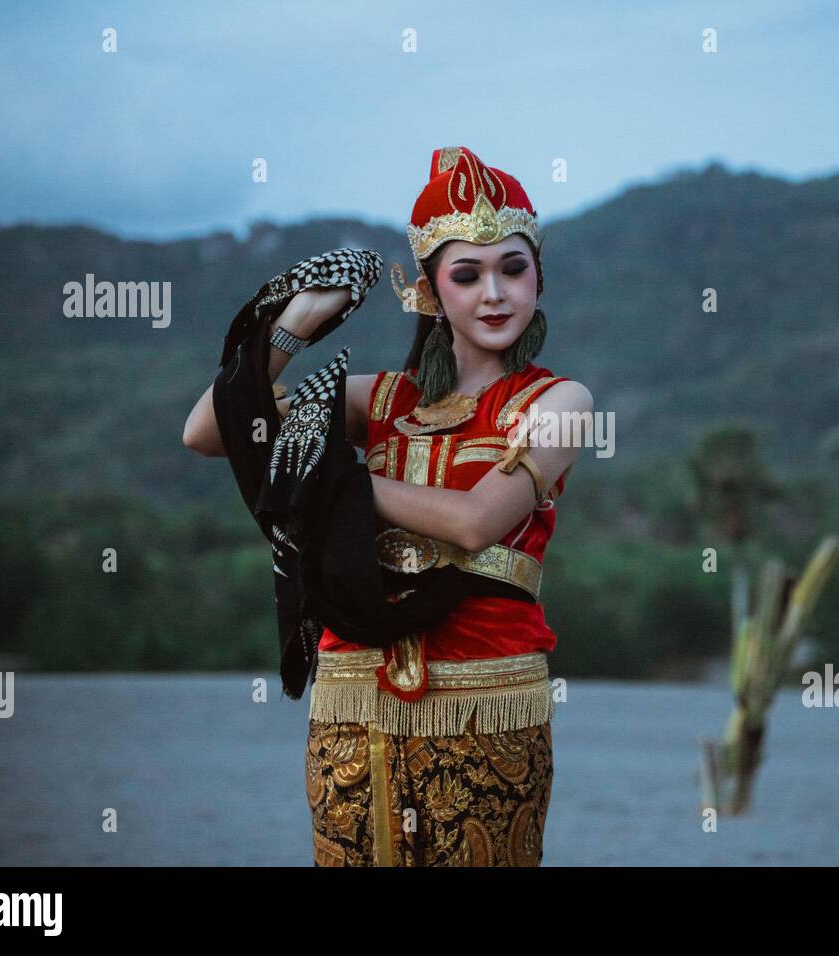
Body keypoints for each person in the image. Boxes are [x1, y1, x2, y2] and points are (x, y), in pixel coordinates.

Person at [183, 146, 592, 867]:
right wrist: (291, 332)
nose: (494, 293)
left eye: (513, 269)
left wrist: (328, 482)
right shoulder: (380, 400)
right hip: (352, 693)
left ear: (538, 278)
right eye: (466, 275)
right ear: (432, 292)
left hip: (485, 695)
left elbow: (475, 521)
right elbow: (207, 432)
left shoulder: (560, 403)